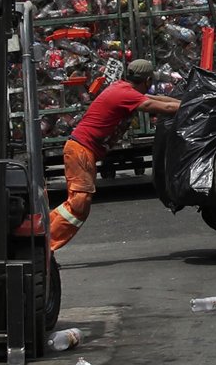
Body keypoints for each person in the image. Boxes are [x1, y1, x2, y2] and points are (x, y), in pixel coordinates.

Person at [50, 60, 180, 252]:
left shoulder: (124, 89)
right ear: (149, 79)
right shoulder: (124, 94)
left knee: (77, 203)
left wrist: (189, 102)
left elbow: (159, 98)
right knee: (79, 204)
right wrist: (192, 107)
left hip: (82, 150)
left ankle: (40, 235)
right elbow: (162, 107)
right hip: (81, 149)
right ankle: (43, 246)